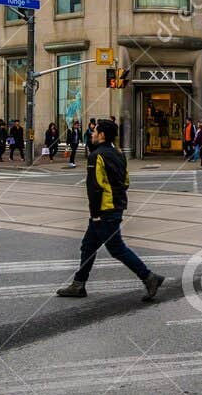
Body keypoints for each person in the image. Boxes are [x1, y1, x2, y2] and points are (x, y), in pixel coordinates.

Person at [56, 119, 165, 302]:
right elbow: (126, 182)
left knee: (116, 248)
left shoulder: (97, 156)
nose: (92, 134)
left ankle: (149, 277)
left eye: (95, 131)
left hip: (104, 211)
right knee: (88, 245)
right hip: (116, 206)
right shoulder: (119, 154)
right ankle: (78, 283)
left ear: (102, 135)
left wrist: (96, 214)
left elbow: (95, 187)